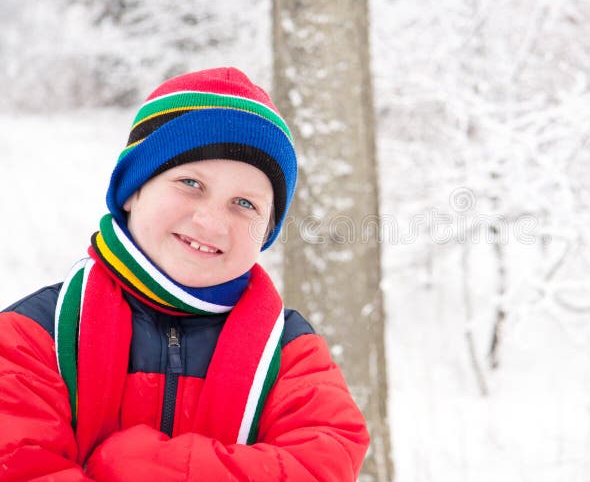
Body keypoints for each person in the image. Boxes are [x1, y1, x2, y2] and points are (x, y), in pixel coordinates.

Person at [0, 67, 370, 480]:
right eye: (190, 182)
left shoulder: (290, 354)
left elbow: (325, 463)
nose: (211, 222)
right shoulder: (32, 337)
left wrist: (135, 468)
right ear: (133, 190)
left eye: (245, 204)